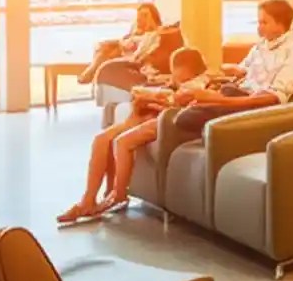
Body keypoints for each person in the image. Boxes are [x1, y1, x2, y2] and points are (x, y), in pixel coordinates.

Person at [57, 47, 210, 224]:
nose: (175, 75)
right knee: (101, 140)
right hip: (149, 115)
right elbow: (162, 93)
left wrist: (161, 99)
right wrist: (153, 97)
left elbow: (183, 103)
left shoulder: (201, 84)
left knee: (120, 141)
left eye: (178, 71)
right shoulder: (177, 83)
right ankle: (88, 200)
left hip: (165, 119)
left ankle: (118, 194)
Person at [173, 0, 293, 134]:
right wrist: (233, 72)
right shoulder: (260, 47)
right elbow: (243, 70)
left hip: (256, 109)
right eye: (259, 22)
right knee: (188, 101)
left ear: (280, 24)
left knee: (187, 116)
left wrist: (218, 100)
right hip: (237, 92)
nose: (259, 28)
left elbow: (272, 98)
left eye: (264, 23)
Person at [78, 3, 164, 84]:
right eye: (139, 15)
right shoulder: (136, 29)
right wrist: (130, 37)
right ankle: (90, 74)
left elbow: (142, 52)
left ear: (153, 17)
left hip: (129, 57)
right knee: (102, 48)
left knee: (103, 52)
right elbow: (126, 39)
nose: (140, 18)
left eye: (145, 15)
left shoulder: (155, 34)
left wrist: (147, 29)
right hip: (123, 50)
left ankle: (89, 74)